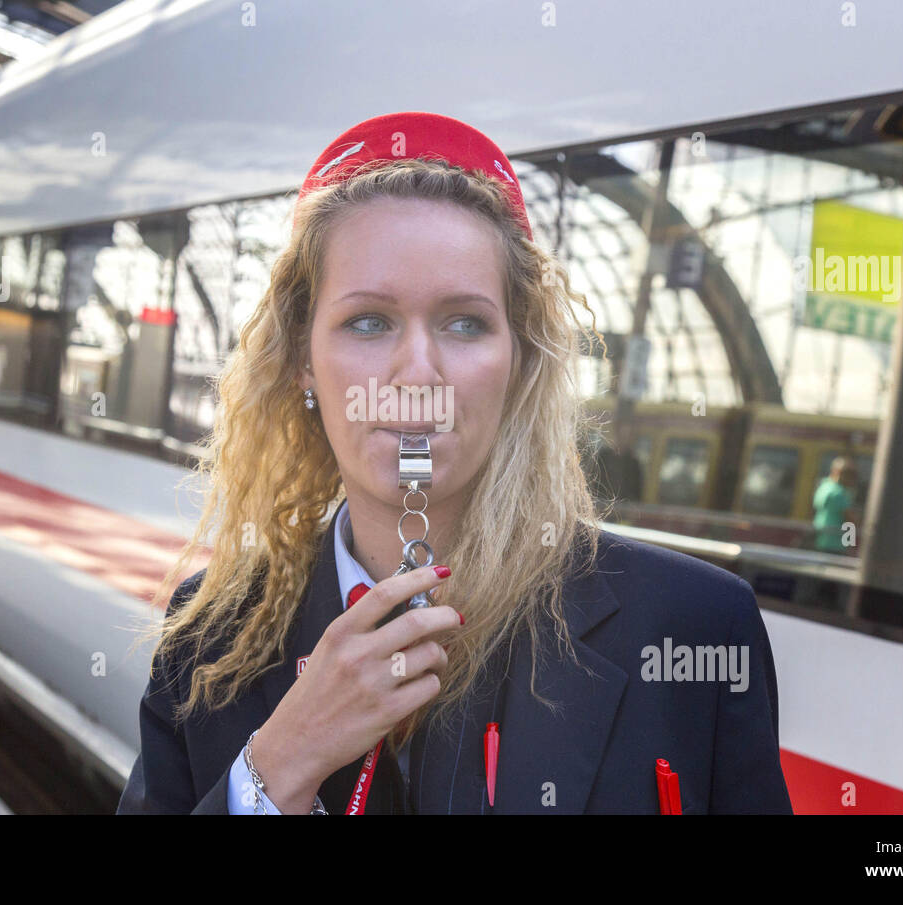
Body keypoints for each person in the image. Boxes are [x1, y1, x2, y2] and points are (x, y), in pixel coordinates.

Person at [116, 111, 791, 814]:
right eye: (369, 321)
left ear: (519, 361)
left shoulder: (692, 626)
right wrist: (279, 765)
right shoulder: (210, 634)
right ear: (302, 361)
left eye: (464, 323)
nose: (417, 373)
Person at [812, 457, 859, 554]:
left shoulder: (824, 486)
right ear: (837, 472)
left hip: (821, 538)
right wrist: (851, 544)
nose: (852, 479)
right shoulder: (838, 493)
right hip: (835, 543)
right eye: (849, 474)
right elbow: (850, 521)